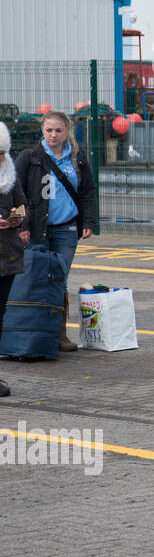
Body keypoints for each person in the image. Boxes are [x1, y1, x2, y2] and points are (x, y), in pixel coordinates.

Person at [14, 110, 98, 352]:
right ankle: (33, 332)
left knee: (59, 280)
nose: (53, 135)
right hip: (36, 230)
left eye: (58, 130)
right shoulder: (30, 158)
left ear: (67, 131)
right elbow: (17, 193)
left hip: (67, 229)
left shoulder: (77, 158)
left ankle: (59, 334)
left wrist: (88, 221)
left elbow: (88, 191)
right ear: (42, 130)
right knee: (35, 279)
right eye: (49, 130)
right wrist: (23, 225)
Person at [0, 122, 26, 394]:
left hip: (6, 255)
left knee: (0, 315)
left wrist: (16, 219)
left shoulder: (11, 174)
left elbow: (22, 205)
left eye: (1, 152)